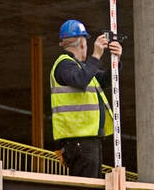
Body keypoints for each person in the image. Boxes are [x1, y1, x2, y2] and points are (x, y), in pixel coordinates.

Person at [51, 19, 122, 177]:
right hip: (79, 140)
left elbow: (104, 80)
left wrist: (116, 61)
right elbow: (80, 80)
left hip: (88, 140)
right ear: (82, 43)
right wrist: (96, 56)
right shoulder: (64, 65)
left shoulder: (81, 67)